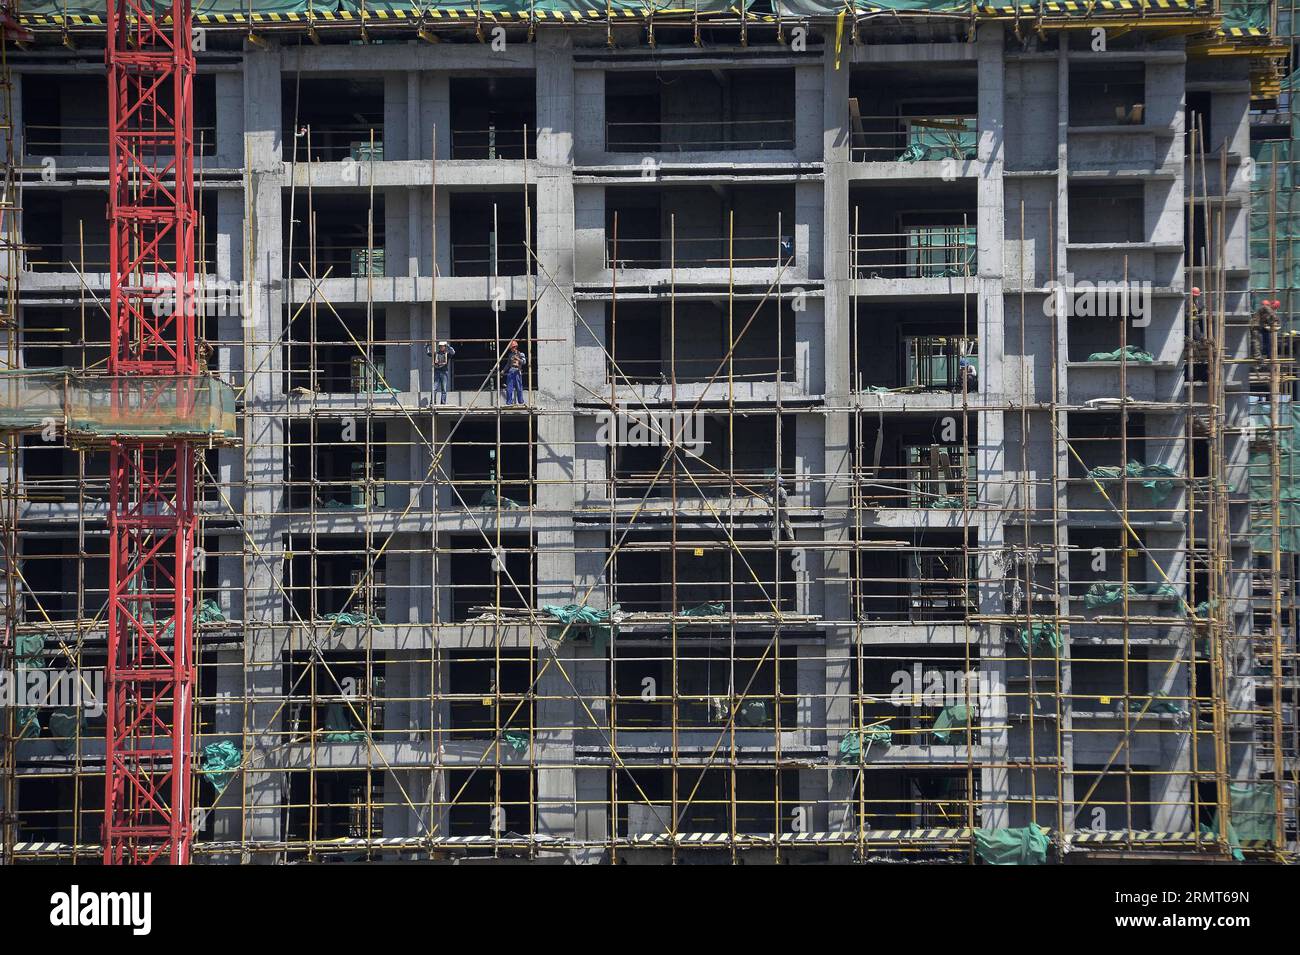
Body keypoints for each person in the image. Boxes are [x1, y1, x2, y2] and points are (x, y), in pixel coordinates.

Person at [503, 339, 527, 406]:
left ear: (515, 347)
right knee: (509, 387)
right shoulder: (510, 355)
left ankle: (521, 401)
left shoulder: (521, 354)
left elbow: (524, 362)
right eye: (511, 348)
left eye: (512, 348)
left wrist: (518, 359)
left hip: (517, 371)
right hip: (511, 371)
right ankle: (509, 402)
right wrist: (503, 370)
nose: (511, 349)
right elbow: (508, 364)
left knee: (519, 387)